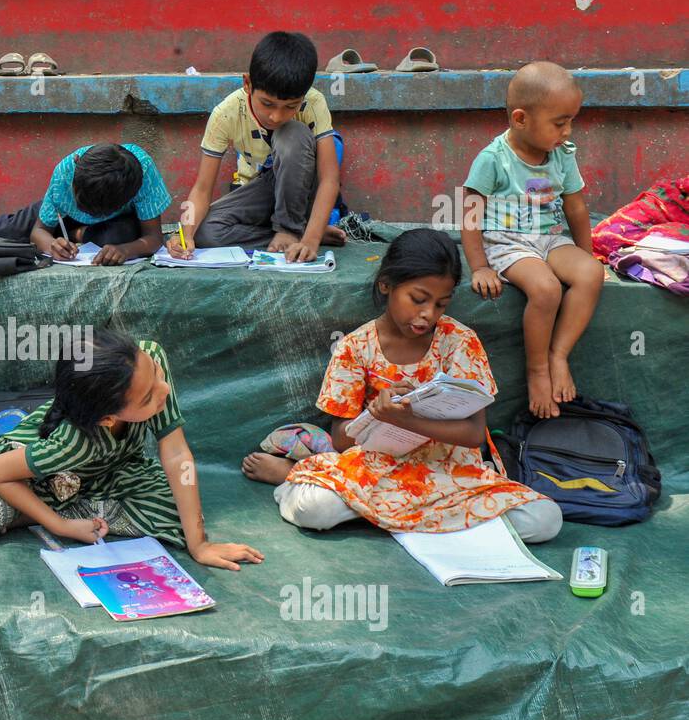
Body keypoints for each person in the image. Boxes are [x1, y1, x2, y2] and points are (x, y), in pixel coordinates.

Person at [243, 228, 562, 542]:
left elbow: (474, 435)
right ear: (386, 285)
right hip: (374, 471)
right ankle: (298, 479)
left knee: (545, 520)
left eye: (441, 304)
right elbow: (342, 440)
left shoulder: (460, 342)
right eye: (418, 299)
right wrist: (377, 414)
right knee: (313, 510)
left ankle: (382, 516)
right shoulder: (355, 347)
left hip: (446, 473)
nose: (428, 314)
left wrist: (407, 419)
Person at [0, 329, 264, 571]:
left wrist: (200, 545)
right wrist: (59, 526)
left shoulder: (148, 359)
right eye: (149, 397)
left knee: (183, 517)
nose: (163, 389)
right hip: (39, 474)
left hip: (112, 470)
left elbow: (177, 455)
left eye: (156, 373)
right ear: (109, 419)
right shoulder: (72, 444)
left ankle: (66, 507)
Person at [462, 60, 604, 418]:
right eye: (560, 123)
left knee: (590, 274)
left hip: (550, 238)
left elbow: (575, 208)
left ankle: (558, 354)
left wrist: (585, 256)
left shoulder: (562, 155)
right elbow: (469, 215)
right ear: (521, 119)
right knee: (546, 289)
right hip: (507, 242)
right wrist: (479, 266)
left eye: (571, 120)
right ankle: (538, 370)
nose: (568, 131)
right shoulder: (493, 159)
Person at [171, 31, 343, 262]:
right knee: (205, 232)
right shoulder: (226, 114)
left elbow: (329, 179)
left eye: (290, 106)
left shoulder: (314, 102)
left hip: (302, 192)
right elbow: (201, 188)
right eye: (267, 103)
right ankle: (297, 236)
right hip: (262, 190)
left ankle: (291, 231)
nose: (276, 116)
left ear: (303, 96)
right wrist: (185, 234)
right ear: (247, 83)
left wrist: (311, 242)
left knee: (291, 133)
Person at [0, 142, 171, 266]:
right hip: (63, 219)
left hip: (112, 226)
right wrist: (50, 245)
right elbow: (38, 232)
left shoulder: (143, 173)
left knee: (120, 236)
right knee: (9, 230)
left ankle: (81, 235)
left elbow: (153, 237)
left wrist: (125, 250)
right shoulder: (66, 171)